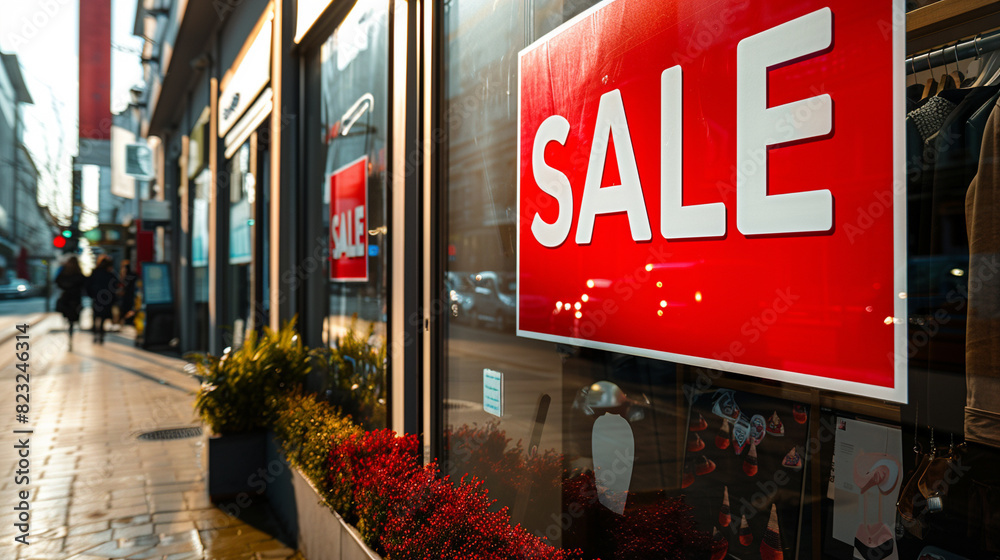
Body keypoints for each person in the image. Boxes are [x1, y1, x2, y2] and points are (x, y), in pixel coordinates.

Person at [55, 256, 86, 351]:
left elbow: (57, 281)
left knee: (68, 318)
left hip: (66, 298)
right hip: (75, 299)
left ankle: (69, 334)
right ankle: (70, 337)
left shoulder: (64, 271)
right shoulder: (78, 272)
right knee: (72, 320)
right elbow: (84, 283)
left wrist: (66, 286)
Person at [87, 255, 120, 344]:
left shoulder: (95, 272)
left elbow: (88, 284)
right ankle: (100, 332)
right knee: (103, 316)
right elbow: (115, 285)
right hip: (106, 297)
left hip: (97, 296)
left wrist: (91, 294)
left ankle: (95, 331)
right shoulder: (110, 274)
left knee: (96, 314)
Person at [116, 259, 138, 329]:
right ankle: (126, 321)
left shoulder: (127, 276)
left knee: (126, 309)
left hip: (128, 296)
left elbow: (124, 287)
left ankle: (125, 321)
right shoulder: (132, 275)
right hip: (131, 296)